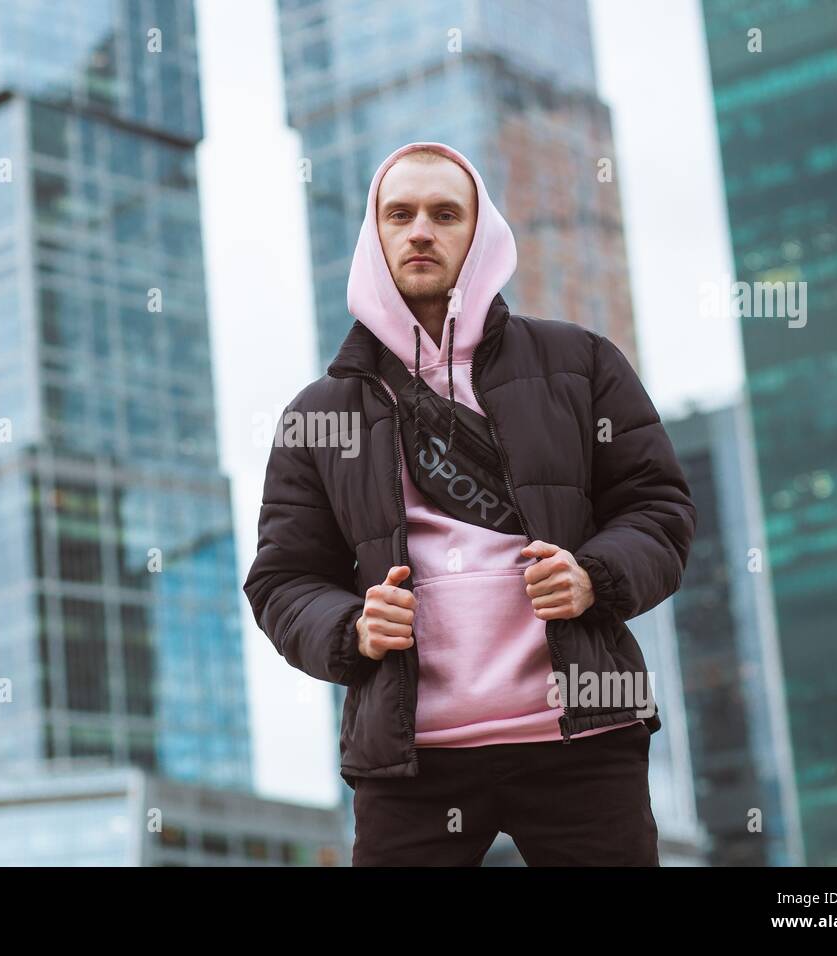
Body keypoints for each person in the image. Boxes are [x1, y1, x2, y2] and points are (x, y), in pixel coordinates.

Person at [243, 141, 696, 866]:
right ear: (376, 235)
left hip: (581, 738)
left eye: (444, 214)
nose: (421, 229)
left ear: (479, 234)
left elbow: (659, 509)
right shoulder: (318, 414)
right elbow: (280, 580)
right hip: (411, 759)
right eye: (401, 214)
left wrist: (593, 576)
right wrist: (355, 627)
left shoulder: (580, 363)